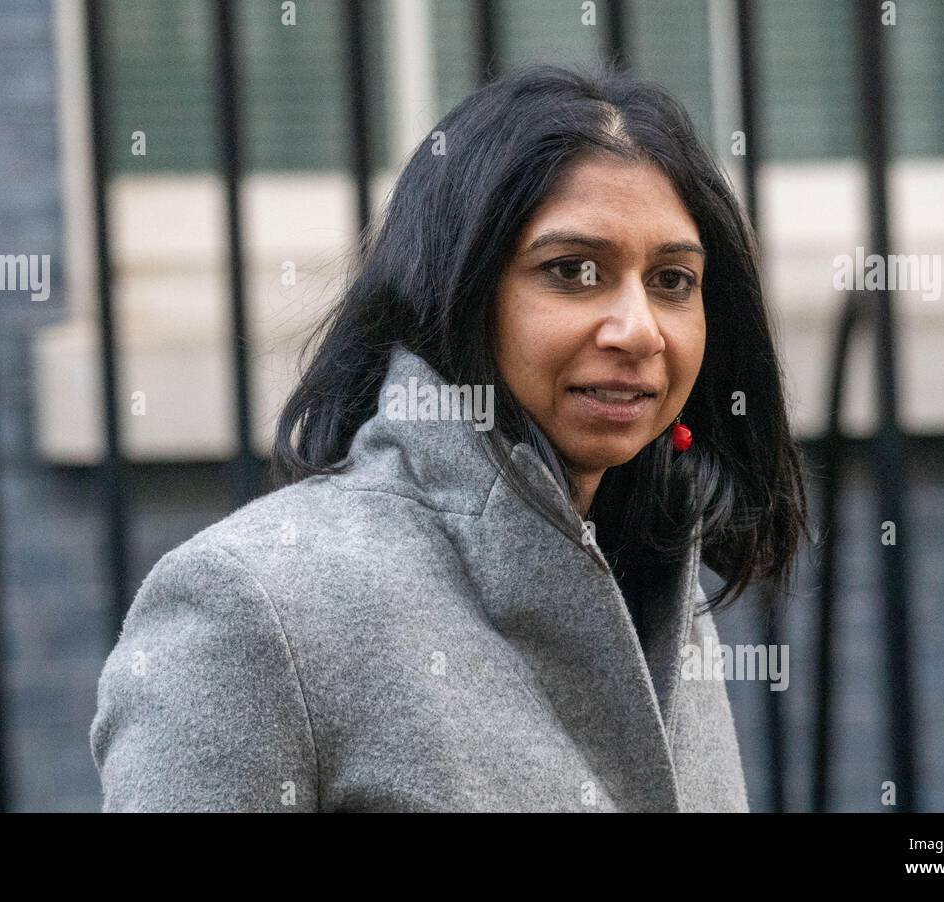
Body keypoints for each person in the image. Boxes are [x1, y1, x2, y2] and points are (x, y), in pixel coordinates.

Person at [90, 62, 809, 812]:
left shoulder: (658, 587)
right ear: (458, 294)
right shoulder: (253, 604)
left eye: (672, 282)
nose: (638, 330)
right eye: (572, 270)